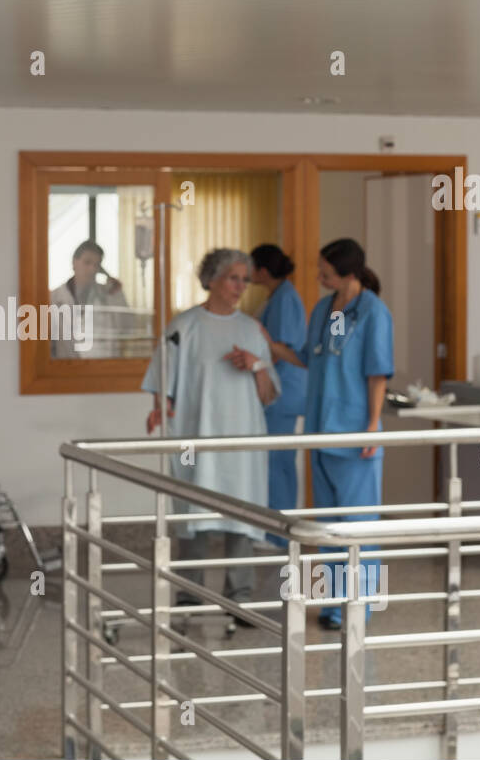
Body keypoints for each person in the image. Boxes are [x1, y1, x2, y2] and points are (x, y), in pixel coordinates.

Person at [142, 248, 282, 637]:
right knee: (195, 517)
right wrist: (160, 407)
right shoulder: (184, 326)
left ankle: (241, 599)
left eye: (245, 279)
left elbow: (270, 394)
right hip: (197, 437)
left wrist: (255, 365)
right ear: (213, 280)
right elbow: (163, 380)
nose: (240, 286)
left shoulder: (251, 331)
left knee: (241, 518)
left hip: (242, 440)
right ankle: (188, 597)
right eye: (233, 278)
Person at [264, 238, 393, 630]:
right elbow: (309, 357)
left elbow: (377, 373)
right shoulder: (324, 309)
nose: (318, 276)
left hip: (355, 436)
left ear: (348, 272)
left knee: (358, 529)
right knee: (328, 529)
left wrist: (372, 426)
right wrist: (268, 347)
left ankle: (360, 606)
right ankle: (333, 605)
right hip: (320, 434)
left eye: (325, 271)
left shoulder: (372, 312)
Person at [250, 244, 307, 535]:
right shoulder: (278, 295)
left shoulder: (285, 298)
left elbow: (279, 347)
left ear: (261, 270)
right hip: (281, 389)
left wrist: (257, 368)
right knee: (277, 460)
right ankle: (280, 531)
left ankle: (279, 535)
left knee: (277, 461)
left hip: (284, 391)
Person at [50, 240, 131, 358]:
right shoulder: (55, 298)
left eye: (97, 264)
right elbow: (48, 347)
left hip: (103, 369)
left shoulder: (109, 295)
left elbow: (127, 327)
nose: (92, 269)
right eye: (87, 262)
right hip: (67, 370)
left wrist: (118, 295)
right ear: (74, 262)